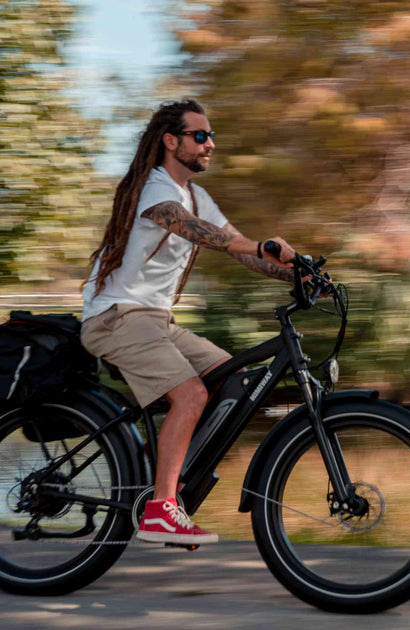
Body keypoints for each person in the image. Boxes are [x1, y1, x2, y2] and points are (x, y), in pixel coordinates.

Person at [80, 99, 302, 545]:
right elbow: (193, 230)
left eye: (211, 136)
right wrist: (260, 245)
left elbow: (239, 247)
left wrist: (298, 274)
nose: (211, 144)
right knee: (191, 393)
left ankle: (168, 478)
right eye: (200, 136)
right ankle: (162, 507)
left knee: (238, 381)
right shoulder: (155, 189)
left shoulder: (198, 196)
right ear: (171, 141)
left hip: (156, 321)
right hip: (115, 317)